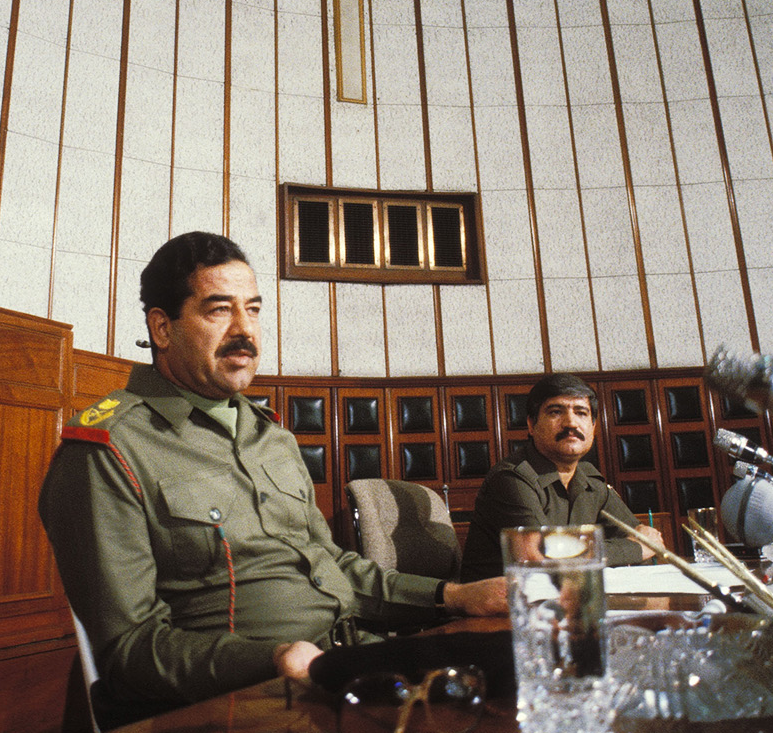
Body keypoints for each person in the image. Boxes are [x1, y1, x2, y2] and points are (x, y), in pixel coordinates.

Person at [38, 232, 506, 729]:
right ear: (163, 328)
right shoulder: (107, 448)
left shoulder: (272, 436)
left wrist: (451, 597)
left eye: (254, 310)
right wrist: (275, 658)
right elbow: (130, 654)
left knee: (520, 675)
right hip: (244, 700)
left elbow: (335, 568)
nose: (246, 331)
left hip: (352, 664)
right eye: (219, 310)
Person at [457, 372, 665, 582]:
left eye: (581, 413)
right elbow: (542, 556)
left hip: (566, 601)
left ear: (593, 427)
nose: (571, 423)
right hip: (503, 609)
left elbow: (643, 537)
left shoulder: (591, 479)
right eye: (556, 412)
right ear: (531, 425)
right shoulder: (511, 479)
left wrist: (638, 546)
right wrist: (634, 548)